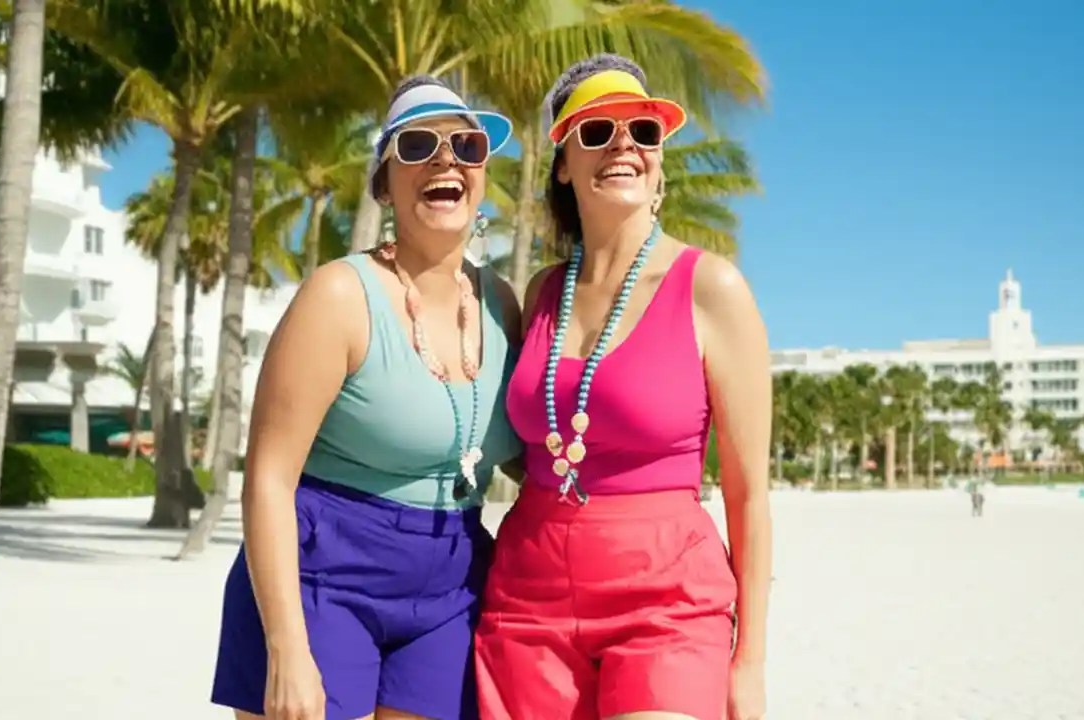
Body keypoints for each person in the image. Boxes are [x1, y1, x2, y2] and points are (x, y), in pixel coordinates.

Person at [210, 76, 522, 720]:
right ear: (384, 183)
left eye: (465, 145)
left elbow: (507, 450)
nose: (445, 160)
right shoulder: (339, 296)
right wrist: (287, 647)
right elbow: (268, 477)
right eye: (417, 146)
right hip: (322, 572)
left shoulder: (502, 305)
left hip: (451, 579)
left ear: (483, 176)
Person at [475, 54, 773, 720]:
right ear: (562, 161)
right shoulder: (542, 291)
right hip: (529, 599)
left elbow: (749, 492)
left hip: (666, 600)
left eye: (642, 131)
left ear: (659, 157)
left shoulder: (711, 289)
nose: (623, 147)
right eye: (597, 131)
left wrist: (748, 662)